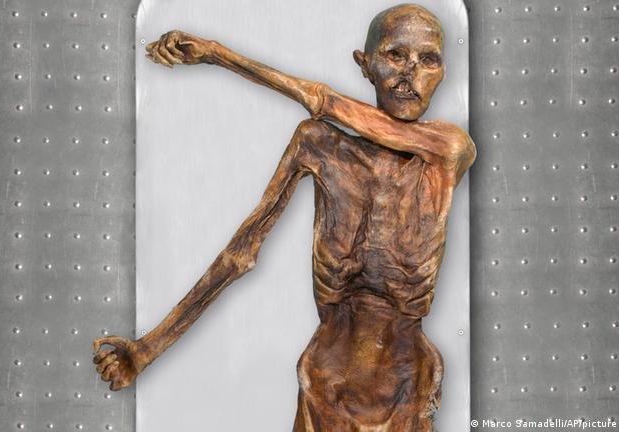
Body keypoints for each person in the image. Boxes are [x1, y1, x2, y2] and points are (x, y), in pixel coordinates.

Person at [93, 4, 475, 430]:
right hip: (324, 385)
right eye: (396, 55)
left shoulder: (448, 151)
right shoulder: (319, 145)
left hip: (408, 389)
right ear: (364, 65)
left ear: (443, 73)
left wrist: (219, 54)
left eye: (428, 60)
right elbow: (239, 254)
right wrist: (146, 349)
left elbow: (328, 103)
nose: (410, 74)